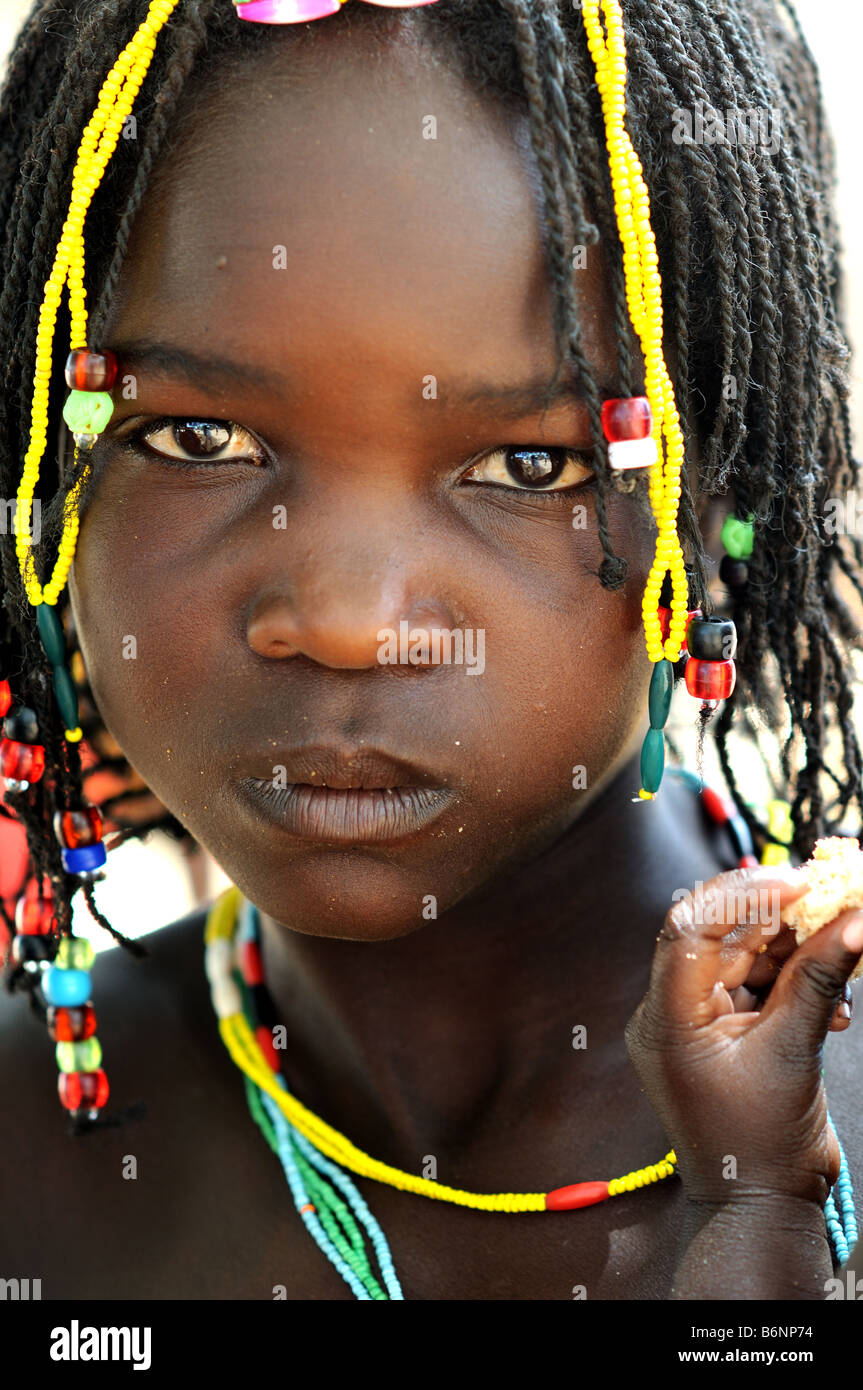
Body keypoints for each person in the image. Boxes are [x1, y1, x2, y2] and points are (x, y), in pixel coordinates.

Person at [0, 0, 860, 1301]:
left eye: (529, 465)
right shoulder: (32, 1156)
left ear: (718, 505)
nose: (348, 620)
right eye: (198, 439)